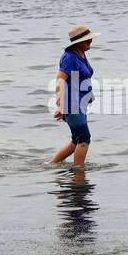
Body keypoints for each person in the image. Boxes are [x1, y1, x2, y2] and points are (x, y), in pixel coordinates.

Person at [49, 25, 99, 166]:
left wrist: (89, 94)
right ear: (77, 42)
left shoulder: (80, 54)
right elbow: (60, 80)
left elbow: (81, 78)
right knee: (83, 140)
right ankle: (78, 173)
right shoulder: (70, 57)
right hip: (71, 104)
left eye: (90, 39)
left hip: (79, 104)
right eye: (87, 40)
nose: (90, 42)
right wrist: (60, 106)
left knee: (76, 140)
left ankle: (51, 164)